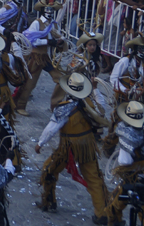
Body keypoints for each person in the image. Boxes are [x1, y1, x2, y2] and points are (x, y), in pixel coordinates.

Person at [36, 72, 109, 220]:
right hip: (87, 145)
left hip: (67, 147)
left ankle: (49, 202)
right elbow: (103, 109)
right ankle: (102, 214)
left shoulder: (64, 108)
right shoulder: (89, 102)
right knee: (94, 178)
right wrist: (95, 89)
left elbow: (51, 128)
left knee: (49, 169)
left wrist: (39, 143)